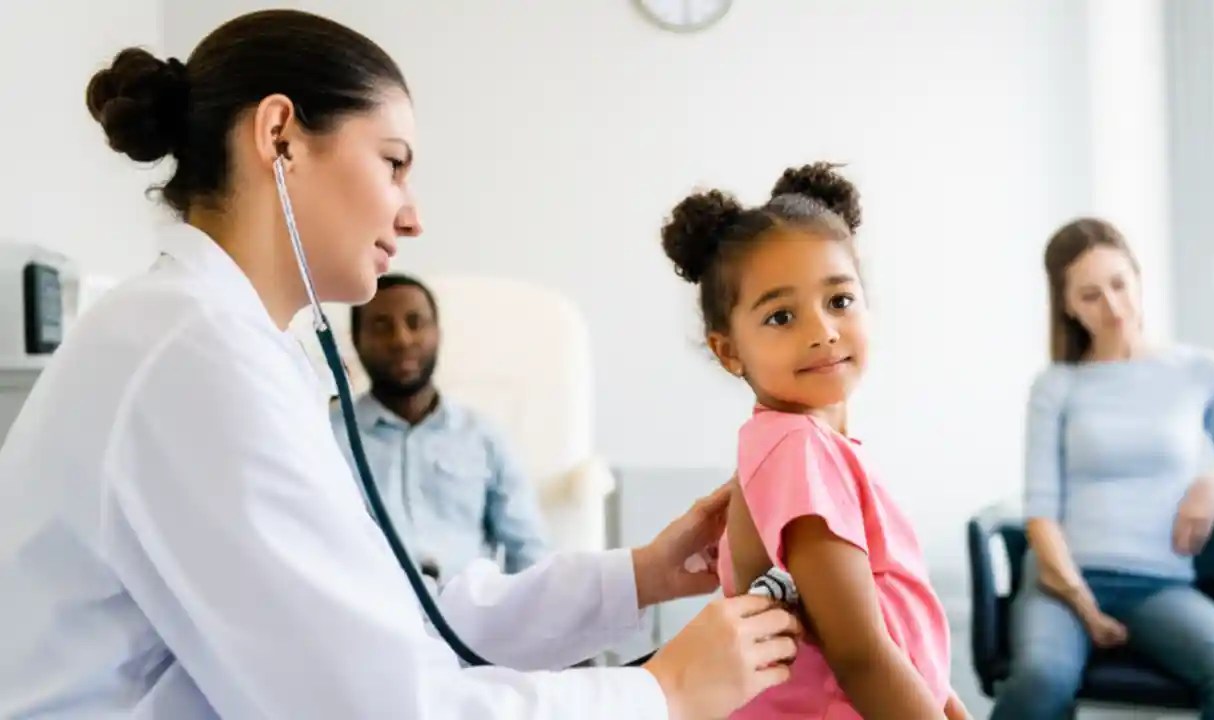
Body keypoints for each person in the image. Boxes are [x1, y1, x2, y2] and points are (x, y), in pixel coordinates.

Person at [0, 10, 802, 719]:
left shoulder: (222, 343)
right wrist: (667, 693)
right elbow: (377, 706)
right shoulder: (192, 357)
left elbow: (402, 621)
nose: (413, 217)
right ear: (279, 137)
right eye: (393, 163)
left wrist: (643, 575)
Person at [659, 162, 969, 719]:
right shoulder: (797, 450)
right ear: (730, 351)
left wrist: (946, 702)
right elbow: (859, 653)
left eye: (839, 301)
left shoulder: (813, 446)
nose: (822, 331)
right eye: (781, 316)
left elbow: (891, 625)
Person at [990, 218, 1214, 720]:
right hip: (1062, 584)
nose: (1113, 306)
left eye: (1120, 284)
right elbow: (1041, 514)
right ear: (1067, 306)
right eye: (1090, 295)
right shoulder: (1056, 385)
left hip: (1160, 585)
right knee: (1041, 681)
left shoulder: (1203, 372)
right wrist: (1085, 608)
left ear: (1139, 278)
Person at [335, 273, 549, 581]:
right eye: (381, 326)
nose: (401, 340)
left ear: (437, 333)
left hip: (468, 607)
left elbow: (529, 550)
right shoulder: (329, 438)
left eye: (415, 323)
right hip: (369, 605)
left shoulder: (484, 437)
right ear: (356, 340)